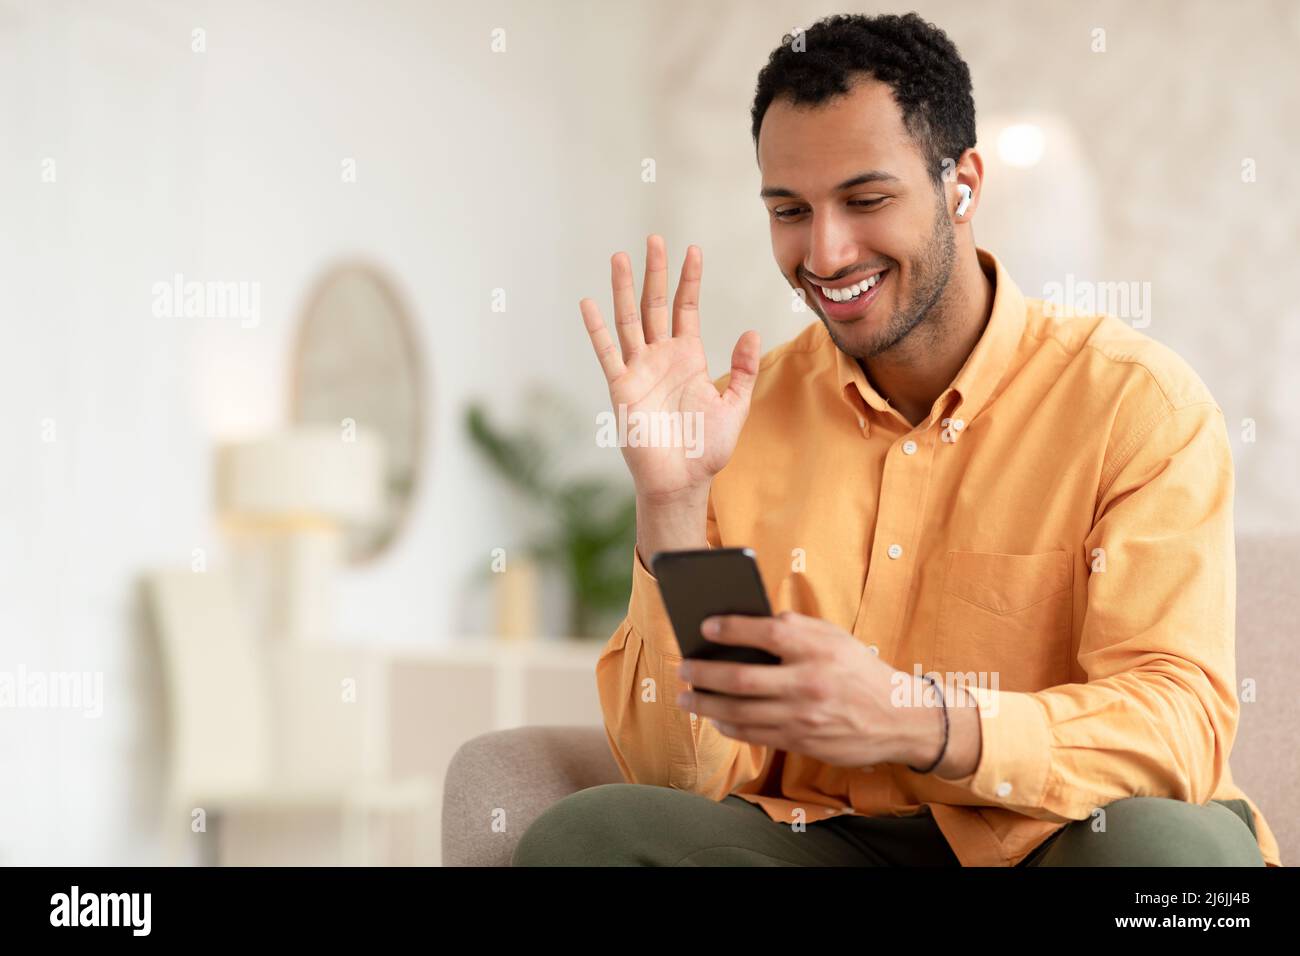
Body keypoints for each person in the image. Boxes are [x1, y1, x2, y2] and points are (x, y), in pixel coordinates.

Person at [514, 12, 1278, 867]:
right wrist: (675, 504)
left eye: (867, 199)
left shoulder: (1138, 406)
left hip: (1054, 841)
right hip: (831, 842)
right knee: (589, 838)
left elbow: (1176, 729)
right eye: (790, 210)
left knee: (1169, 854)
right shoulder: (734, 423)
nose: (827, 252)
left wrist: (916, 718)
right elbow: (683, 774)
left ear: (963, 185)